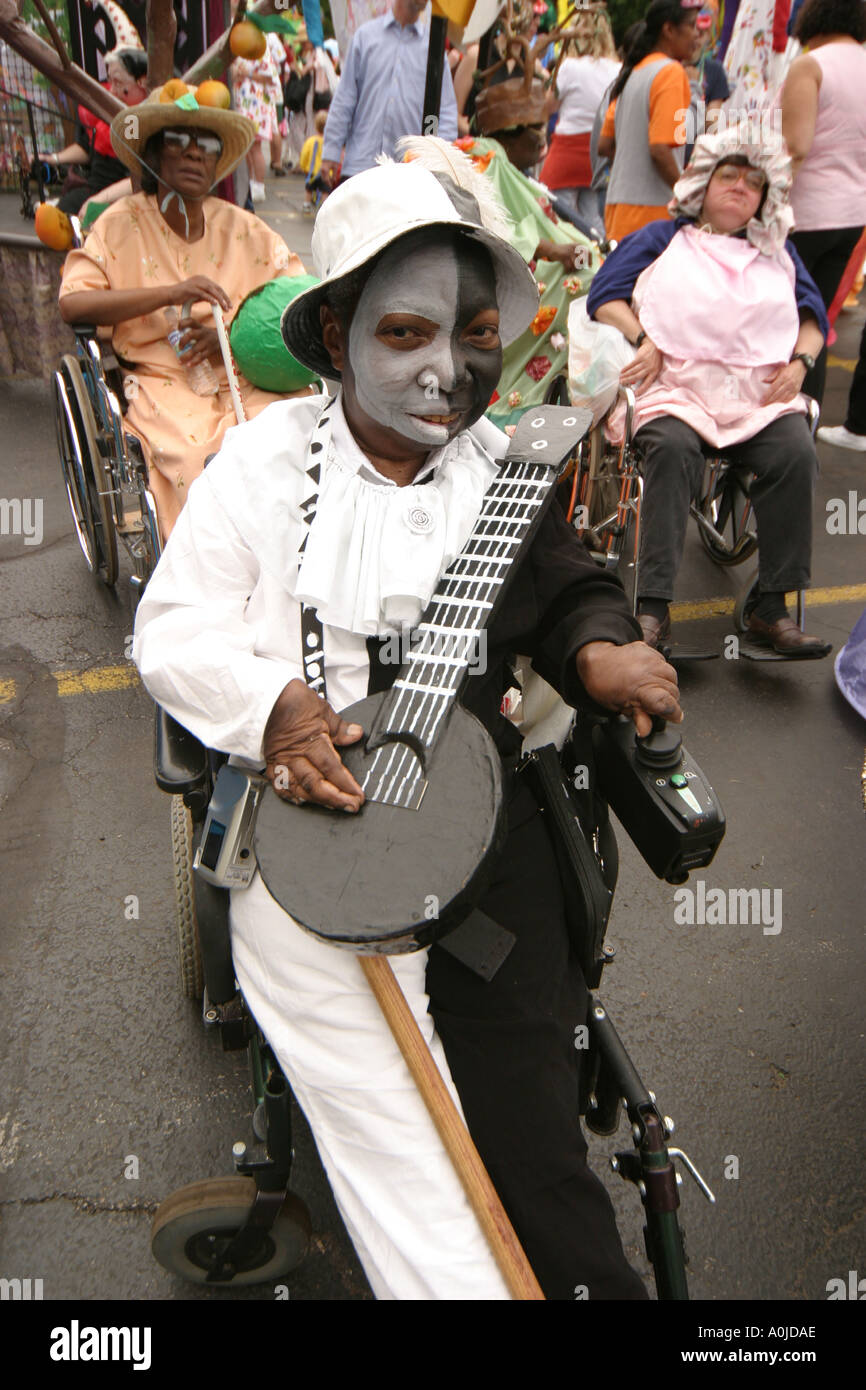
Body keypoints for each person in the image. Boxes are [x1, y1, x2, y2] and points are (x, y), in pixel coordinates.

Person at [133, 152, 683, 1301]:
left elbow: (567, 582)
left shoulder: (502, 472)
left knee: (529, 1140)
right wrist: (275, 706)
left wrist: (596, 647)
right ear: (332, 339)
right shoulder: (259, 467)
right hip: (308, 840)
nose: (448, 372)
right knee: (402, 1147)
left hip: (491, 845)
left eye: (476, 335)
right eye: (404, 336)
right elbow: (173, 633)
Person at [586, 131, 832, 659]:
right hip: (674, 389)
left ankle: (771, 605)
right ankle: (653, 609)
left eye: (754, 182)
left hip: (756, 399)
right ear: (703, 184)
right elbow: (604, 295)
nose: (741, 187)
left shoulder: (778, 254)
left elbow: (815, 320)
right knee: (672, 450)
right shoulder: (661, 238)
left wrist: (801, 362)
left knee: (795, 450)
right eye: (729, 175)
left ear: (766, 198)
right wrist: (643, 338)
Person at [58, 86, 310, 541]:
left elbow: (297, 298)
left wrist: (231, 334)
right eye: (178, 141)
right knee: (200, 463)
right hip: (163, 380)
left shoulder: (245, 228)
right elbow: (73, 303)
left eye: (207, 146)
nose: (195, 154)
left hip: (243, 372)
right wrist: (168, 293)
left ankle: (287, 561)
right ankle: (207, 578)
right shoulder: (119, 224)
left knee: (297, 436)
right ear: (153, 155)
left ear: (218, 164)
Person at [780, 0, 866, 405]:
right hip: (852, 216)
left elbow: (795, 145)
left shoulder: (811, 65)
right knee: (815, 323)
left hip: (804, 215)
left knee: (780, 323)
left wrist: (768, 206)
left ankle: (774, 429)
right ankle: (804, 428)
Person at [319, 0, 458, 187]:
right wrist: (331, 151)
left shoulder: (433, 49)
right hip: (361, 169)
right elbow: (344, 100)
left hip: (408, 178)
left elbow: (446, 113)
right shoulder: (365, 37)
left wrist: (440, 163)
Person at [598, 0, 698, 244]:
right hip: (652, 214)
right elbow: (660, 149)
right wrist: (689, 196)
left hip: (618, 209)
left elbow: (605, 145)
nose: (697, 34)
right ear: (669, 29)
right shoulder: (671, 73)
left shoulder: (634, 73)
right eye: (692, 25)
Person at [539, 4, 620, 239]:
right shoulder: (617, 69)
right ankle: (599, 265)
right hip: (599, 155)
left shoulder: (569, 67)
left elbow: (547, 107)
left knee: (557, 218)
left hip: (566, 153)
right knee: (593, 222)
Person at [42, 48, 148, 216]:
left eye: (118, 83)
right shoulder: (113, 115)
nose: (112, 91)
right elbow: (86, 146)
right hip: (95, 187)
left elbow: (141, 177)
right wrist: (53, 158)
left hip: (124, 199)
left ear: (142, 82)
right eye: (110, 81)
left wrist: (99, 199)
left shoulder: (138, 122)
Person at [232, 30, 284, 203]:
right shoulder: (239, 46)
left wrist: (247, 74)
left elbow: (271, 77)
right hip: (241, 99)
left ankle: (258, 185)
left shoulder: (261, 46)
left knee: (255, 146)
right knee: (245, 146)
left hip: (256, 103)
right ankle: (250, 183)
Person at [299, 109, 328, 214]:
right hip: (326, 172)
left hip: (312, 172)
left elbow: (304, 155)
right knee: (325, 190)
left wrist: (303, 166)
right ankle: (324, 206)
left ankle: (306, 204)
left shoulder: (311, 141)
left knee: (309, 189)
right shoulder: (329, 142)